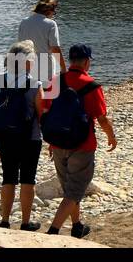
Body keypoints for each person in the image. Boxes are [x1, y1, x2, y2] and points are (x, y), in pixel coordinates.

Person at [43, 45, 117, 239]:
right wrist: (111, 135)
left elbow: (45, 112)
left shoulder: (55, 82)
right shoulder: (91, 86)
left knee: (70, 189)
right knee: (74, 192)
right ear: (87, 62)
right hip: (82, 145)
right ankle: (53, 232)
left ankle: (77, 226)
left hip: (58, 143)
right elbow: (101, 118)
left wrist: (50, 141)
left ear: (70, 61)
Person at [0, 41, 47, 231]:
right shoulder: (35, 84)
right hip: (29, 138)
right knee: (28, 179)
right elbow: (41, 116)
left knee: (8, 177)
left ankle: (4, 221)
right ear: (26, 62)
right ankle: (25, 223)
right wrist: (51, 139)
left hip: (4, 138)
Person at [17, 0, 63, 84]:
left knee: (29, 94)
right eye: (54, 12)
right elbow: (55, 48)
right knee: (45, 94)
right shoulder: (51, 24)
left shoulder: (24, 22)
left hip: (27, 66)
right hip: (45, 67)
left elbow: (20, 47)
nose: (53, 15)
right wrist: (63, 68)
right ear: (49, 10)